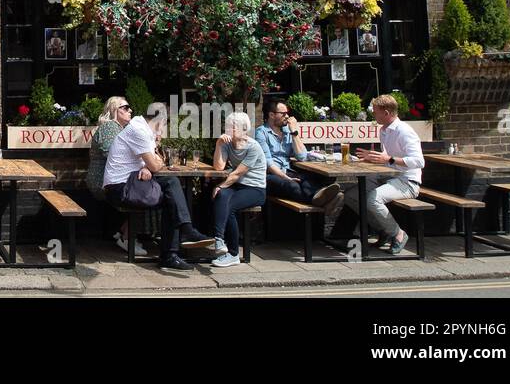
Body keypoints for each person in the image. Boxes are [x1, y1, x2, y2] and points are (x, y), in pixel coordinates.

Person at [102, 101, 214, 270]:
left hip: (131, 182)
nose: (165, 126)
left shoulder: (143, 129)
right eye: (166, 122)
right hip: (119, 188)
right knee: (171, 184)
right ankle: (183, 235)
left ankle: (172, 251)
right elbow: (156, 164)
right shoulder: (139, 130)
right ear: (161, 120)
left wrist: (148, 165)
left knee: (171, 198)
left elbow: (158, 158)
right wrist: (151, 164)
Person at [325, 94, 424, 255]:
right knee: (351, 195)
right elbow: (387, 160)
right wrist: (373, 157)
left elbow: (419, 161)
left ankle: (398, 234)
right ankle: (383, 229)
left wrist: (388, 159)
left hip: (407, 181)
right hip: (388, 176)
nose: (373, 115)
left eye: (376, 112)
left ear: (386, 113)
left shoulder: (404, 131)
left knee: (373, 199)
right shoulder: (384, 130)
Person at [86, 97, 148, 257]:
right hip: (102, 181)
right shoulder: (109, 128)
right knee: (145, 191)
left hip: (115, 178)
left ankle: (124, 232)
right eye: (126, 108)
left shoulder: (120, 129)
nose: (130, 111)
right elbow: (114, 157)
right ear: (115, 110)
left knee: (148, 187)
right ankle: (127, 238)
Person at [208, 112, 268, 267]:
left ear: (244, 128)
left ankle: (233, 254)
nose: (228, 129)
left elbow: (237, 173)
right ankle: (219, 241)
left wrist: (220, 185)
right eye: (227, 125)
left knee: (230, 206)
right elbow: (219, 166)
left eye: (232, 126)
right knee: (221, 196)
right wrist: (219, 145)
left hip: (255, 189)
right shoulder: (228, 144)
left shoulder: (253, 147)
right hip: (237, 186)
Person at [255, 99, 340, 209]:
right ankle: (323, 201)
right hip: (270, 175)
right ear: (271, 115)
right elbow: (268, 163)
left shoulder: (287, 131)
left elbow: (302, 156)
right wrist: (285, 177)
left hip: (289, 170)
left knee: (314, 178)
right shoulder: (261, 133)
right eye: (283, 114)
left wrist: (294, 132)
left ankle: (322, 198)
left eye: (287, 113)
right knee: (292, 185)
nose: (287, 116)